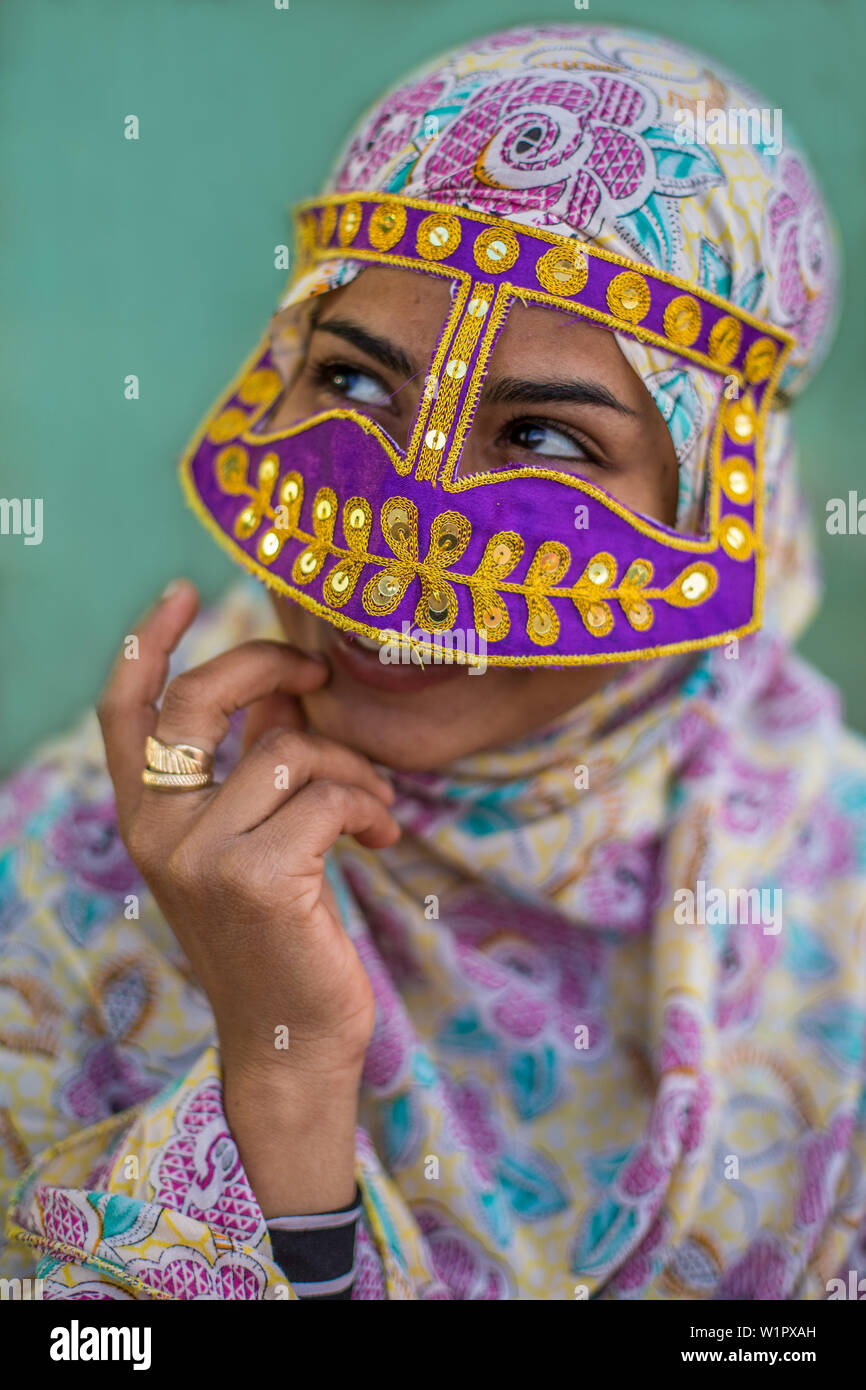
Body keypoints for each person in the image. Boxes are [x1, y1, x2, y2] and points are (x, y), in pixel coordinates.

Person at [3, 21, 865, 1301]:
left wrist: (285, 1085)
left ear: (721, 501)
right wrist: (272, 1060)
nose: (407, 530)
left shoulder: (836, 923)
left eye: (546, 444)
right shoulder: (73, 870)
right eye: (352, 389)